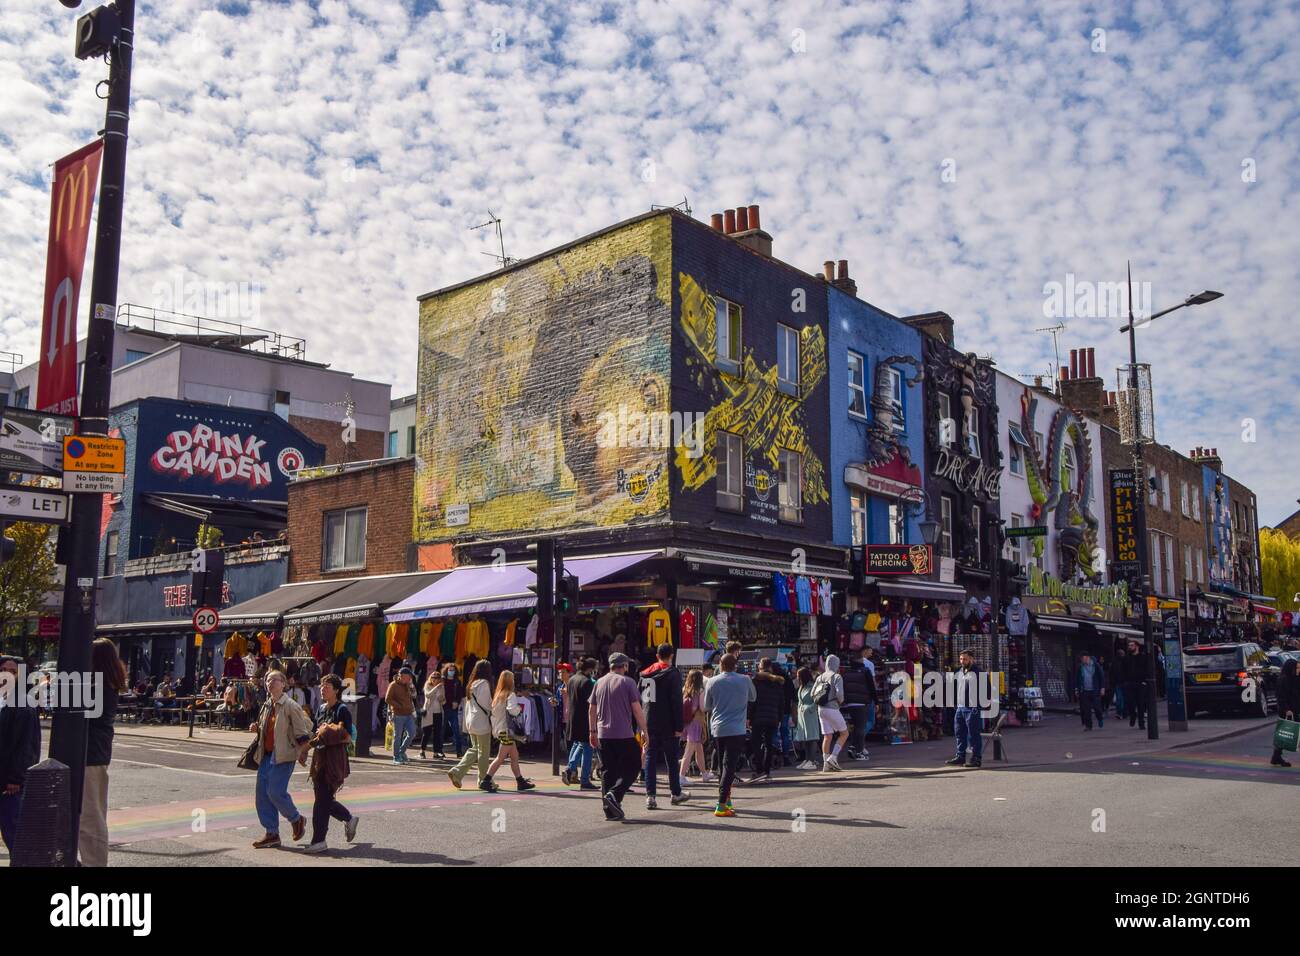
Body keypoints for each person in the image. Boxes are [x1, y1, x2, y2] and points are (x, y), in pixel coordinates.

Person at [248, 670, 314, 848]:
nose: (270, 683)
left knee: (275, 792)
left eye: (274, 680)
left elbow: (302, 732)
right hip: (266, 755)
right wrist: (257, 727)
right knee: (262, 795)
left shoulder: (290, 705)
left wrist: (303, 752)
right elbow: (268, 729)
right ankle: (272, 833)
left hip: (284, 755)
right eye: (267, 680)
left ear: (283, 684)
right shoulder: (267, 705)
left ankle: (296, 819)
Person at [80, 638, 127, 866]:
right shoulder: (105, 684)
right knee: (90, 813)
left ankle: (94, 863)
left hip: (91, 755)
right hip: (94, 753)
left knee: (91, 816)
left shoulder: (99, 687)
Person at [304, 674, 360, 853]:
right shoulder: (320, 708)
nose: (322, 688)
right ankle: (349, 819)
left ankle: (318, 841)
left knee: (321, 802)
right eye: (321, 685)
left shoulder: (342, 709)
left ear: (336, 690)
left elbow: (348, 736)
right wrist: (305, 748)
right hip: (319, 760)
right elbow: (315, 733)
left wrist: (329, 732)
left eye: (327, 686)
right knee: (323, 800)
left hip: (334, 762)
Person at [589, 652, 647, 821]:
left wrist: (592, 731)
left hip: (602, 733)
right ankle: (615, 794)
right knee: (635, 764)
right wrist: (645, 730)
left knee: (608, 770)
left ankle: (610, 809)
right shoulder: (628, 682)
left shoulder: (599, 682)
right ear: (625, 666)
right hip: (623, 733)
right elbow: (637, 709)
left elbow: (591, 709)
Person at [703, 653, 756, 817]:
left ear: (720, 664)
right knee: (729, 766)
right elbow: (753, 697)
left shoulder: (712, 681)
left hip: (718, 728)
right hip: (737, 728)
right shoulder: (745, 680)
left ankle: (726, 799)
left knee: (722, 765)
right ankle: (721, 804)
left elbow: (707, 706)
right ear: (736, 665)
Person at [638, 643, 689, 808]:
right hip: (668, 723)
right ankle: (675, 793)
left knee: (650, 758)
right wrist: (679, 726)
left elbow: (644, 700)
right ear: (671, 656)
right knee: (671, 760)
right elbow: (676, 702)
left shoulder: (645, 674)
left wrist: (642, 724)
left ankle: (650, 796)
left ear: (657, 656)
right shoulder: (673, 674)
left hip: (649, 721)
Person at [0, 656, 40, 854]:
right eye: (3, 670)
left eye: (12, 671)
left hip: (10, 781)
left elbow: (25, 745)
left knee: (12, 829)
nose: (5, 674)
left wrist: (15, 778)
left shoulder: (22, 703)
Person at [482, 671, 536, 792]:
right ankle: (486, 780)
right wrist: (519, 710)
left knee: (514, 756)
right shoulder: (510, 695)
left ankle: (520, 781)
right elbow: (512, 710)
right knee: (500, 758)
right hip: (507, 730)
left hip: (500, 729)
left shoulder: (497, 695)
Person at [447, 660, 496, 792]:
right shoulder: (484, 684)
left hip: (471, 721)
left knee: (475, 749)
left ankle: (457, 772)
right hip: (481, 721)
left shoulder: (471, 684)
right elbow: (487, 704)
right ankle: (484, 780)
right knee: (483, 752)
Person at [747, 657, 785, 784]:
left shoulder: (755, 681)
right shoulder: (777, 682)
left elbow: (752, 701)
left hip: (758, 717)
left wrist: (748, 717)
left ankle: (759, 770)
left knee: (755, 743)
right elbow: (781, 703)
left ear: (760, 667)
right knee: (769, 744)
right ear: (771, 667)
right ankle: (767, 771)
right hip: (773, 717)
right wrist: (779, 718)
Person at [562, 658, 598, 790]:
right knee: (588, 748)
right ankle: (584, 779)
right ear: (590, 669)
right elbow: (592, 704)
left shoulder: (572, 679)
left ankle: (570, 769)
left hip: (573, 718)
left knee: (578, 744)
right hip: (584, 720)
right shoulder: (587, 682)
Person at [945, 650, 983, 768]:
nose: (962, 661)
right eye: (961, 659)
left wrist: (978, 705)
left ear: (971, 659)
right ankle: (960, 756)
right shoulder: (959, 671)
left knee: (973, 734)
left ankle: (976, 758)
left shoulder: (978, 673)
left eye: (965, 659)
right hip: (960, 707)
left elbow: (986, 690)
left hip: (972, 708)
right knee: (959, 732)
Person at [814, 655, 849, 772]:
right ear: (836, 664)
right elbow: (840, 695)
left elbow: (812, 694)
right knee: (844, 733)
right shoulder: (837, 676)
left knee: (827, 736)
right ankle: (833, 758)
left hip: (821, 709)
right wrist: (840, 701)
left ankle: (825, 764)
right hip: (832, 708)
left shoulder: (820, 677)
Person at [678, 668, 712, 782]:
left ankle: (704, 774)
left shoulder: (685, 689)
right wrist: (710, 707)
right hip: (696, 722)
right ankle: (681, 776)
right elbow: (702, 708)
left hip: (687, 722)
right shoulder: (700, 690)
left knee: (699, 749)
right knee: (689, 750)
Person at [840, 658, 873, 762]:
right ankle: (859, 751)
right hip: (863, 703)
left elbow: (844, 688)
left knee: (856, 727)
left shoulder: (846, 674)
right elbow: (872, 687)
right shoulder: (866, 671)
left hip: (850, 703)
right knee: (861, 728)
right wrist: (875, 701)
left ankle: (853, 746)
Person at [384, 667, 418, 764]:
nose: (409, 679)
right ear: (401, 676)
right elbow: (387, 699)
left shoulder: (408, 685)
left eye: (410, 677)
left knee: (412, 733)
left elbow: (414, 695)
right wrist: (399, 706)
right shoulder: (393, 685)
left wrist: (411, 685)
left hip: (408, 714)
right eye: (408, 677)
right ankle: (396, 757)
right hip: (398, 714)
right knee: (397, 736)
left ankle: (401, 752)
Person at [1271, 659, 1299, 768]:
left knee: (1286, 734)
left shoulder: (1295, 679)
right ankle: (1276, 756)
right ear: (1290, 669)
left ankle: (1276, 756)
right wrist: (1286, 709)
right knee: (1284, 734)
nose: (1298, 670)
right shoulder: (1283, 680)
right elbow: (1281, 697)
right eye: (1296, 668)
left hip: (1296, 709)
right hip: (1288, 711)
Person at [793, 667, 822, 769]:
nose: (797, 678)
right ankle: (807, 759)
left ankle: (812, 761)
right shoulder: (802, 687)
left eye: (798, 676)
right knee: (805, 738)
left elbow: (818, 700)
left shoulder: (812, 686)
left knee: (812, 738)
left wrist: (810, 709)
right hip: (802, 716)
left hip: (810, 715)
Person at [419, 669, 446, 759]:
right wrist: (436, 688)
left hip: (438, 712)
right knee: (426, 733)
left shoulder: (441, 687)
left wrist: (441, 699)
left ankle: (436, 752)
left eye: (437, 678)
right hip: (429, 712)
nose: (434, 679)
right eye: (433, 677)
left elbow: (444, 701)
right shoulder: (428, 685)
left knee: (437, 734)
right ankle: (422, 751)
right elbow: (428, 695)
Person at [1123, 641, 1150, 730]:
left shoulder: (1143, 657)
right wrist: (1125, 681)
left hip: (1140, 683)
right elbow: (1123, 670)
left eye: (1132, 645)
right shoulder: (1127, 658)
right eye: (1129, 645)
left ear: (1137, 647)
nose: (1130, 647)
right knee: (1130, 702)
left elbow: (1147, 669)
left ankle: (1141, 722)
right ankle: (1133, 715)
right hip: (1129, 683)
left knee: (1140, 704)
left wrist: (1144, 681)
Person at [1077, 654, 1106, 731]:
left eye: (1083, 658)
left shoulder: (1096, 666)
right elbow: (1077, 678)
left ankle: (1100, 718)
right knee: (1087, 710)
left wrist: (1102, 688)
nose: (1082, 660)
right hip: (1085, 691)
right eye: (1082, 659)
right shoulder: (1080, 667)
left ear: (1087, 658)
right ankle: (1088, 726)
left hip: (1095, 690)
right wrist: (1077, 689)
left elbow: (1101, 677)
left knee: (1097, 708)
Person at [442, 663, 465, 757]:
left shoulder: (457, 681)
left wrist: (457, 702)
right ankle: (439, 750)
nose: (451, 671)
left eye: (453, 670)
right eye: (450, 670)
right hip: (443, 708)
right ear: (446, 670)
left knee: (456, 730)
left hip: (453, 709)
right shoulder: (442, 681)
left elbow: (460, 694)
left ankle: (459, 751)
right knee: (442, 730)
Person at [1109, 647, 1127, 718]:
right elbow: (1112, 673)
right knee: (1121, 698)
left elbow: (1111, 673)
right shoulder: (1116, 662)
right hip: (1119, 682)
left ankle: (1121, 712)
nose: (1122, 655)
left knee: (1120, 698)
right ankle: (1121, 712)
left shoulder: (1115, 662)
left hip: (1121, 682)